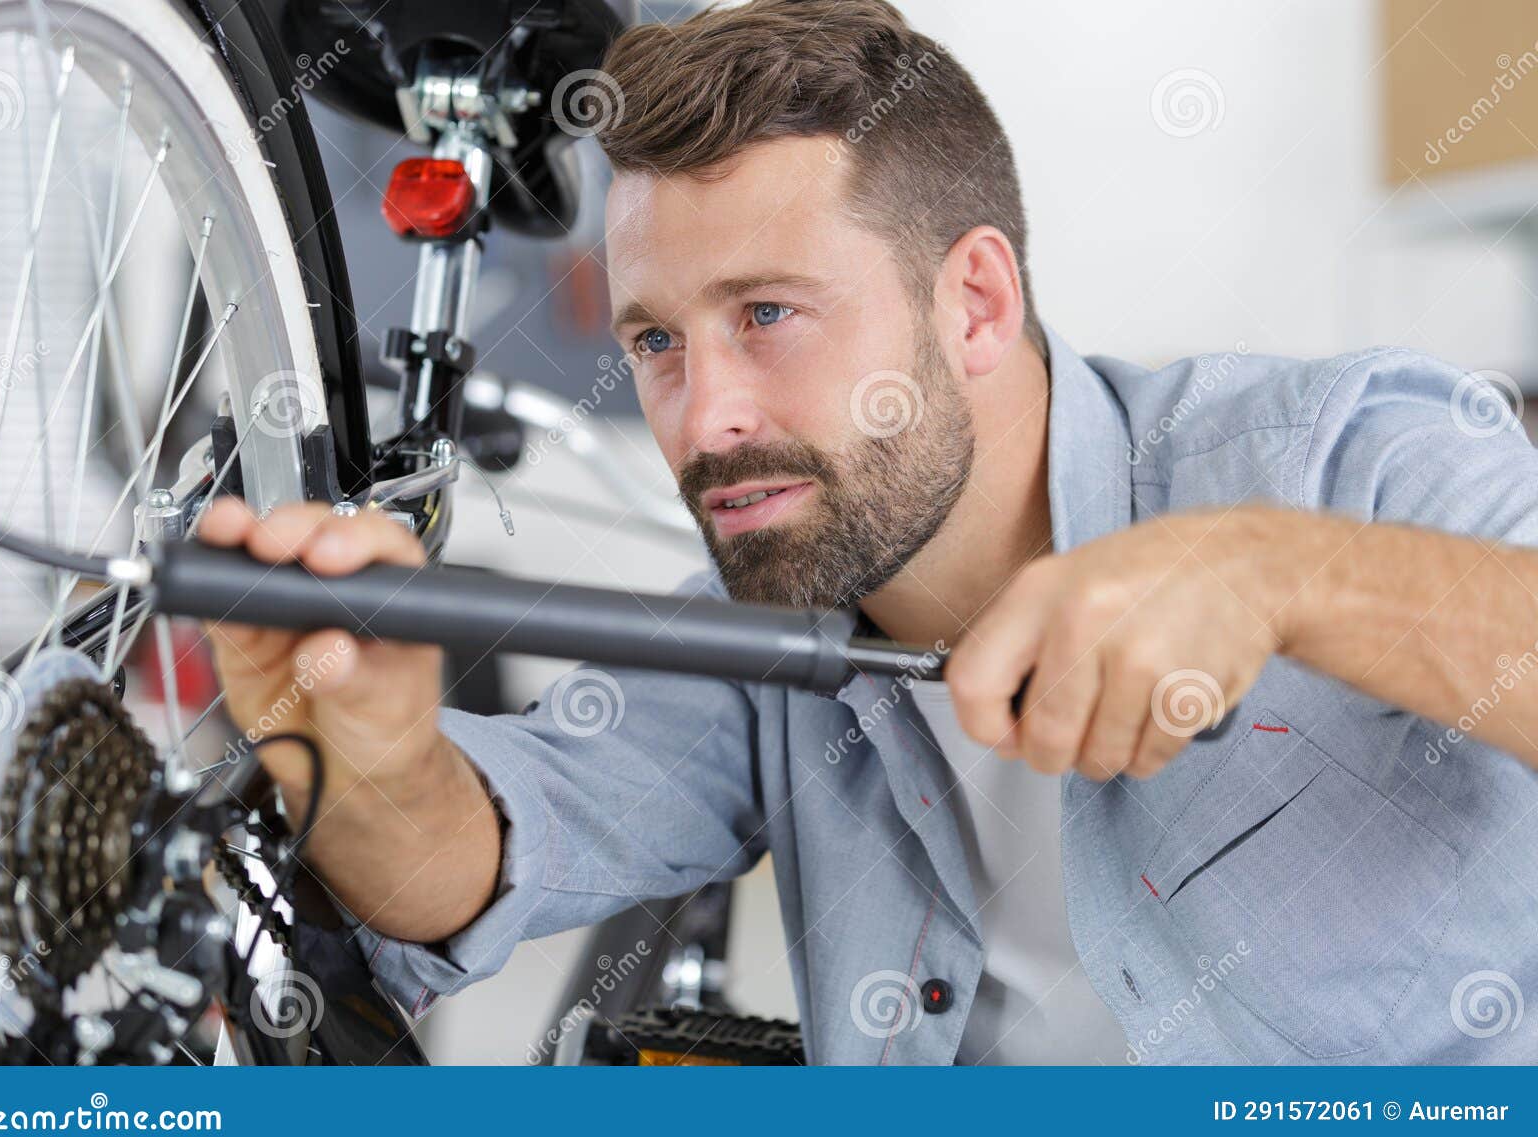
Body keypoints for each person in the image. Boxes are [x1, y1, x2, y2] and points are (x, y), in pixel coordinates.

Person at [200, 0, 1538, 1063]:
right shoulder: (751, 630)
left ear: (972, 304)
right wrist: (368, 762)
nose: (705, 414)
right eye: (657, 341)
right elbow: (468, 858)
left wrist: (1286, 575)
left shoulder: (1342, 457)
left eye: (769, 314)